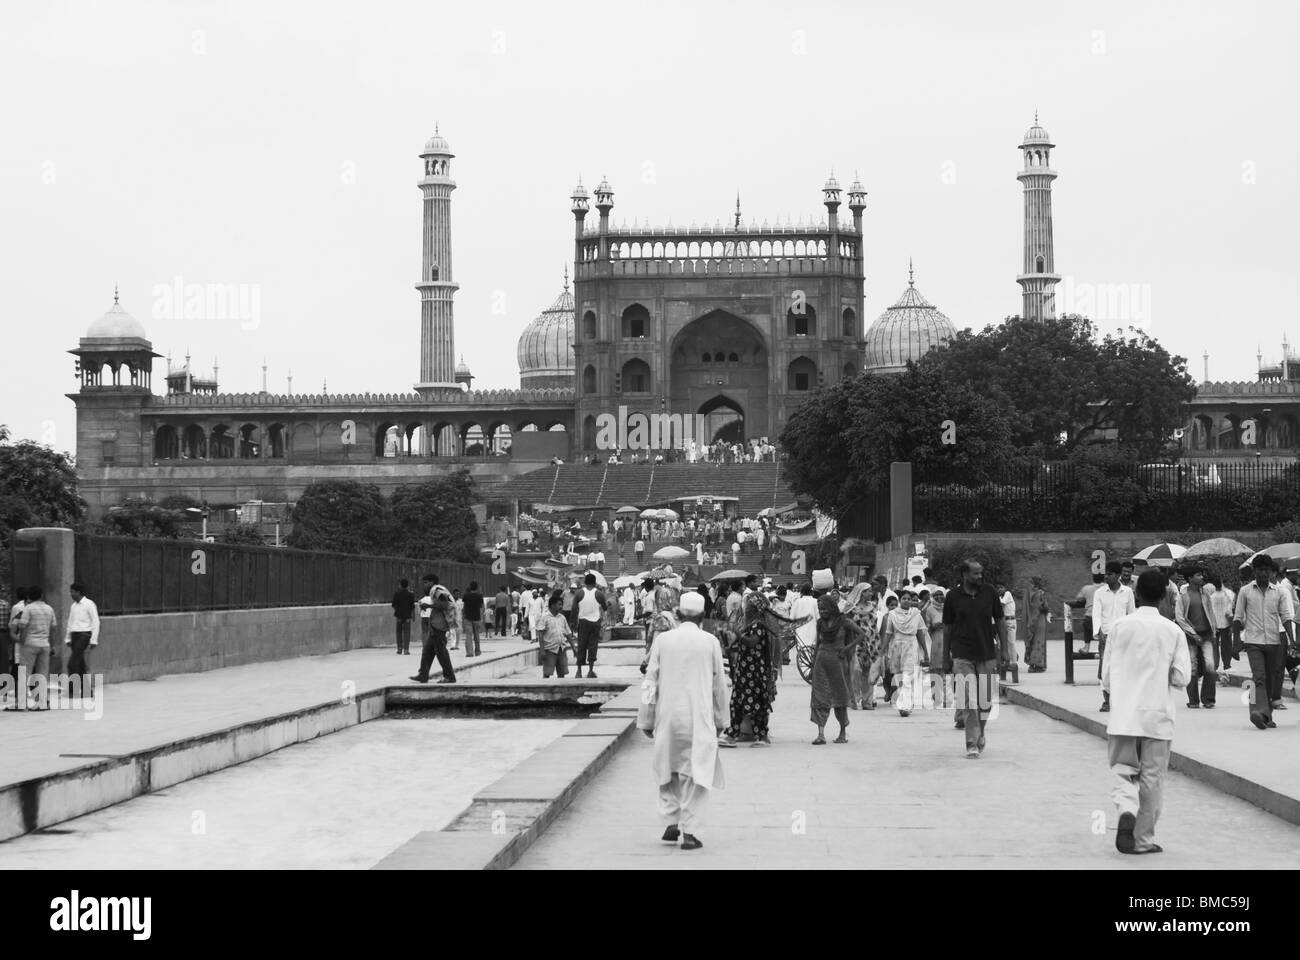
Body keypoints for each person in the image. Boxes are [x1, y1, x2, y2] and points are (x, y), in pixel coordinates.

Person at [1101, 569, 1190, 855]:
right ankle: (1142, 840)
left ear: (1136, 594)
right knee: (1152, 780)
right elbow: (1181, 678)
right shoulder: (1173, 631)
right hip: (1157, 718)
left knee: (1123, 772)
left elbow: (1105, 678)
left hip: (1124, 717)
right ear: (1165, 595)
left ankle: (1127, 809)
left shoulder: (1118, 627)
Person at [636, 591, 728, 851]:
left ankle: (670, 820)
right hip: (698, 715)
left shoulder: (663, 641)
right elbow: (719, 684)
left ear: (677, 614)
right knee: (695, 771)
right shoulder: (710, 642)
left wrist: (646, 717)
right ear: (703, 616)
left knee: (668, 767)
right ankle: (690, 831)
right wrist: (721, 718)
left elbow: (650, 680)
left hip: (667, 714)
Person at [942, 560, 1006, 758]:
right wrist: (945, 655)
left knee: (985, 702)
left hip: (986, 653)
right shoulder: (953, 596)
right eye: (975, 574)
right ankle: (971, 742)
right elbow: (947, 628)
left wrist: (1005, 650)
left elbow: (1000, 620)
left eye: (981, 573)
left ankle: (981, 732)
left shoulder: (990, 592)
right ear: (964, 574)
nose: (980, 577)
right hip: (962, 655)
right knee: (969, 701)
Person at [1233, 555, 1296, 730]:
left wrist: (1292, 640)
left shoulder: (1279, 592)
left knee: (1270, 680)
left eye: (1267, 570)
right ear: (1254, 571)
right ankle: (1257, 712)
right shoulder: (1245, 591)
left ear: (1271, 571)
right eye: (1260, 570)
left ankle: (1267, 715)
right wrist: (1236, 642)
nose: (1263, 573)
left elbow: (1286, 617)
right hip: (1253, 642)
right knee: (1258, 677)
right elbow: (1238, 618)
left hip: (1274, 642)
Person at [809, 593, 864, 743]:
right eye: (820, 609)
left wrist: (847, 649)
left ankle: (842, 733)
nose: (822, 612)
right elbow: (818, 645)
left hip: (838, 664)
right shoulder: (820, 623)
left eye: (824, 608)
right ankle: (820, 734)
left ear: (832, 607)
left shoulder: (844, 622)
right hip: (821, 663)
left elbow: (861, 634)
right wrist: (813, 665)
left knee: (840, 697)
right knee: (820, 697)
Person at [1093, 562, 1136, 712]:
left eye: (1110, 574)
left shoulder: (1128, 592)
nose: (1106, 576)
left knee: (1122, 669)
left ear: (1117, 576)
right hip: (1106, 636)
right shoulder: (1099, 593)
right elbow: (1096, 614)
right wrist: (1099, 632)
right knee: (1105, 669)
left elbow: (1131, 614)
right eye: (1106, 574)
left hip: (1123, 636)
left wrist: (1132, 634)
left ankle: (1120, 699)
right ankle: (1106, 700)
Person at [881, 588, 930, 716]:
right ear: (900, 601)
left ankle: (905, 706)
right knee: (898, 676)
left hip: (911, 645)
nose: (907, 601)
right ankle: (902, 701)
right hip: (897, 646)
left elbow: (920, 633)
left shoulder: (916, 614)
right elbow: (888, 633)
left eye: (909, 599)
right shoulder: (893, 614)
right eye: (904, 599)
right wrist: (882, 650)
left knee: (908, 676)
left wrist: (925, 650)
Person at [1173, 566, 1217, 709]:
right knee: (1192, 667)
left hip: (1206, 634)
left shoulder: (1205, 594)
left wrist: (1214, 632)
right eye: (1198, 575)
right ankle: (1193, 700)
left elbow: (1211, 614)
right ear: (1190, 578)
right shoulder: (1183, 597)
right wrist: (1193, 633)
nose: (1202, 578)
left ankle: (1208, 699)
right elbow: (1180, 618)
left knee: (1210, 666)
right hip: (1190, 636)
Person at [14, 586, 57, 710]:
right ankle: (42, 704)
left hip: (30, 644)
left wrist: (22, 641)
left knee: (24, 674)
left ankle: (22, 703)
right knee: (42, 675)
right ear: (41, 595)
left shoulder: (28, 609)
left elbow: (22, 626)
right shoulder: (49, 609)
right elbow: (53, 628)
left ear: (30, 596)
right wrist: (52, 645)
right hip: (45, 645)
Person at [410, 576, 456, 684]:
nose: (424, 585)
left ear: (432, 582)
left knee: (441, 652)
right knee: (427, 651)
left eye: (426, 582)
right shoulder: (436, 591)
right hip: (435, 626)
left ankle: (449, 676)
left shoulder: (437, 590)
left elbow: (444, 604)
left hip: (439, 626)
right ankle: (423, 675)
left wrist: (429, 605)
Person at [65, 582, 100, 693]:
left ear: (78, 592)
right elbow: (70, 622)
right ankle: (87, 691)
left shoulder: (89, 604)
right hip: (75, 636)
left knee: (72, 664)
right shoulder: (73, 606)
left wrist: (94, 639)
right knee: (80, 665)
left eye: (72, 592)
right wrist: (68, 638)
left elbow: (95, 621)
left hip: (84, 636)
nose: (70, 594)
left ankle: (72, 690)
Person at [574, 573, 608, 679]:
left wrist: (572, 623)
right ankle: (590, 671)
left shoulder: (579, 593)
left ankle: (578, 672)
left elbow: (574, 609)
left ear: (584, 582)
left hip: (583, 622)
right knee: (592, 646)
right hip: (595, 623)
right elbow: (605, 607)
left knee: (581, 646)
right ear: (595, 582)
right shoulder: (599, 594)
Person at [537, 591, 575, 678]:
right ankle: (545, 690)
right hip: (550, 649)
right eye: (559, 604)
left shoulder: (562, 617)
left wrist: (573, 647)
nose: (561, 606)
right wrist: (542, 650)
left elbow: (568, 633)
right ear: (552, 605)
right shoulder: (544, 617)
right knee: (547, 672)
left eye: (561, 604)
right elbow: (540, 634)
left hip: (561, 648)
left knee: (562, 673)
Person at [1206, 572, 1236, 679]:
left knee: (1215, 646)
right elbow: (1229, 612)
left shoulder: (1210, 596)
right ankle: (1226, 664)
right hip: (1226, 623)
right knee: (1226, 645)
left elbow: (1209, 611)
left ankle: (1215, 665)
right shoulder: (1229, 594)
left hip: (1214, 624)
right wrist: (1232, 624)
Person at [1070, 573, 1104, 656]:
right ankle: (1102, 648)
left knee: (1087, 627)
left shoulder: (1086, 588)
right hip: (1103, 617)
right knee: (1104, 633)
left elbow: (1079, 598)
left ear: (1093, 579)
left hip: (1090, 616)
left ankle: (1086, 647)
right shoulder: (1106, 588)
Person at [1023, 577, 1048, 672]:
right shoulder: (1040, 593)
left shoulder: (1027, 594)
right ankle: (1038, 665)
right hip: (1040, 620)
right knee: (1039, 642)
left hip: (1030, 621)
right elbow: (1045, 607)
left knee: (1032, 641)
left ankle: (1031, 664)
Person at [391, 579, 416, 655]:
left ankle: (399, 649)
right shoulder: (411, 594)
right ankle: (406, 649)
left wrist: (397, 612)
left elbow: (394, 605)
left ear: (400, 585)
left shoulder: (397, 593)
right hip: (408, 615)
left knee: (399, 632)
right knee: (407, 632)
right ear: (407, 586)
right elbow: (412, 606)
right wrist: (413, 616)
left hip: (399, 616)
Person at [462, 581, 485, 657]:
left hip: (467, 618)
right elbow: (481, 607)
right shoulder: (479, 596)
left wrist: (463, 616)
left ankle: (470, 653)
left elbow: (464, 607)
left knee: (468, 636)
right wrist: (481, 619)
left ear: (470, 587)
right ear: (477, 587)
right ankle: (477, 651)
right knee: (476, 635)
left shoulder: (466, 595)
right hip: (476, 618)